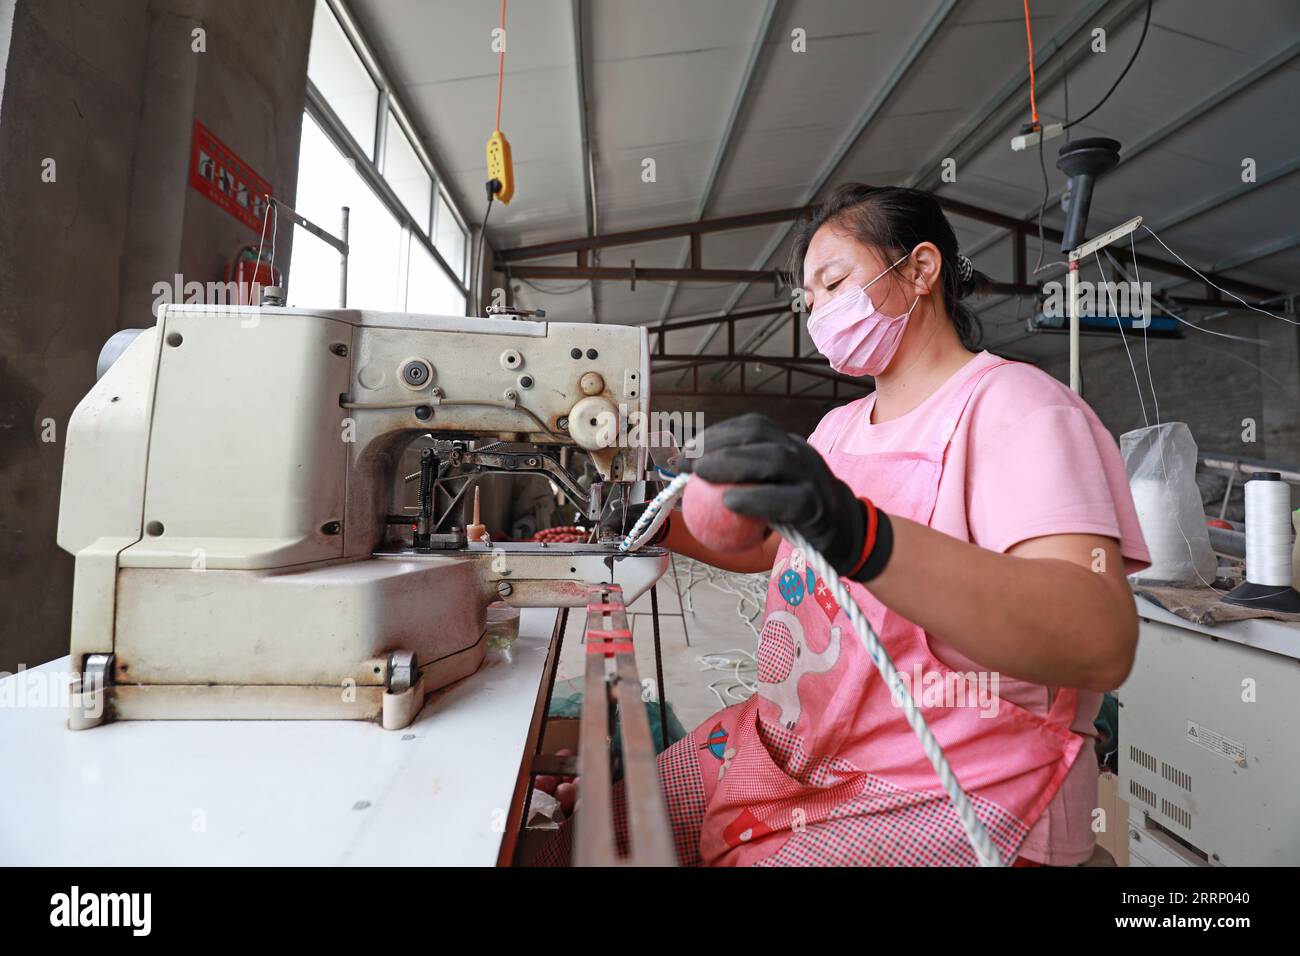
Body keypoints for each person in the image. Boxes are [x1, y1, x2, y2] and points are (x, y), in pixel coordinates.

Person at [546, 184, 1150, 867]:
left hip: (949, 783)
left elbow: (1097, 638)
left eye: (834, 283)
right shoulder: (838, 428)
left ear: (921, 270)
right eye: (809, 301)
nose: (819, 313)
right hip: (796, 742)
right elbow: (785, 549)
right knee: (590, 838)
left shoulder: (1020, 408)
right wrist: (656, 526)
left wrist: (864, 535)